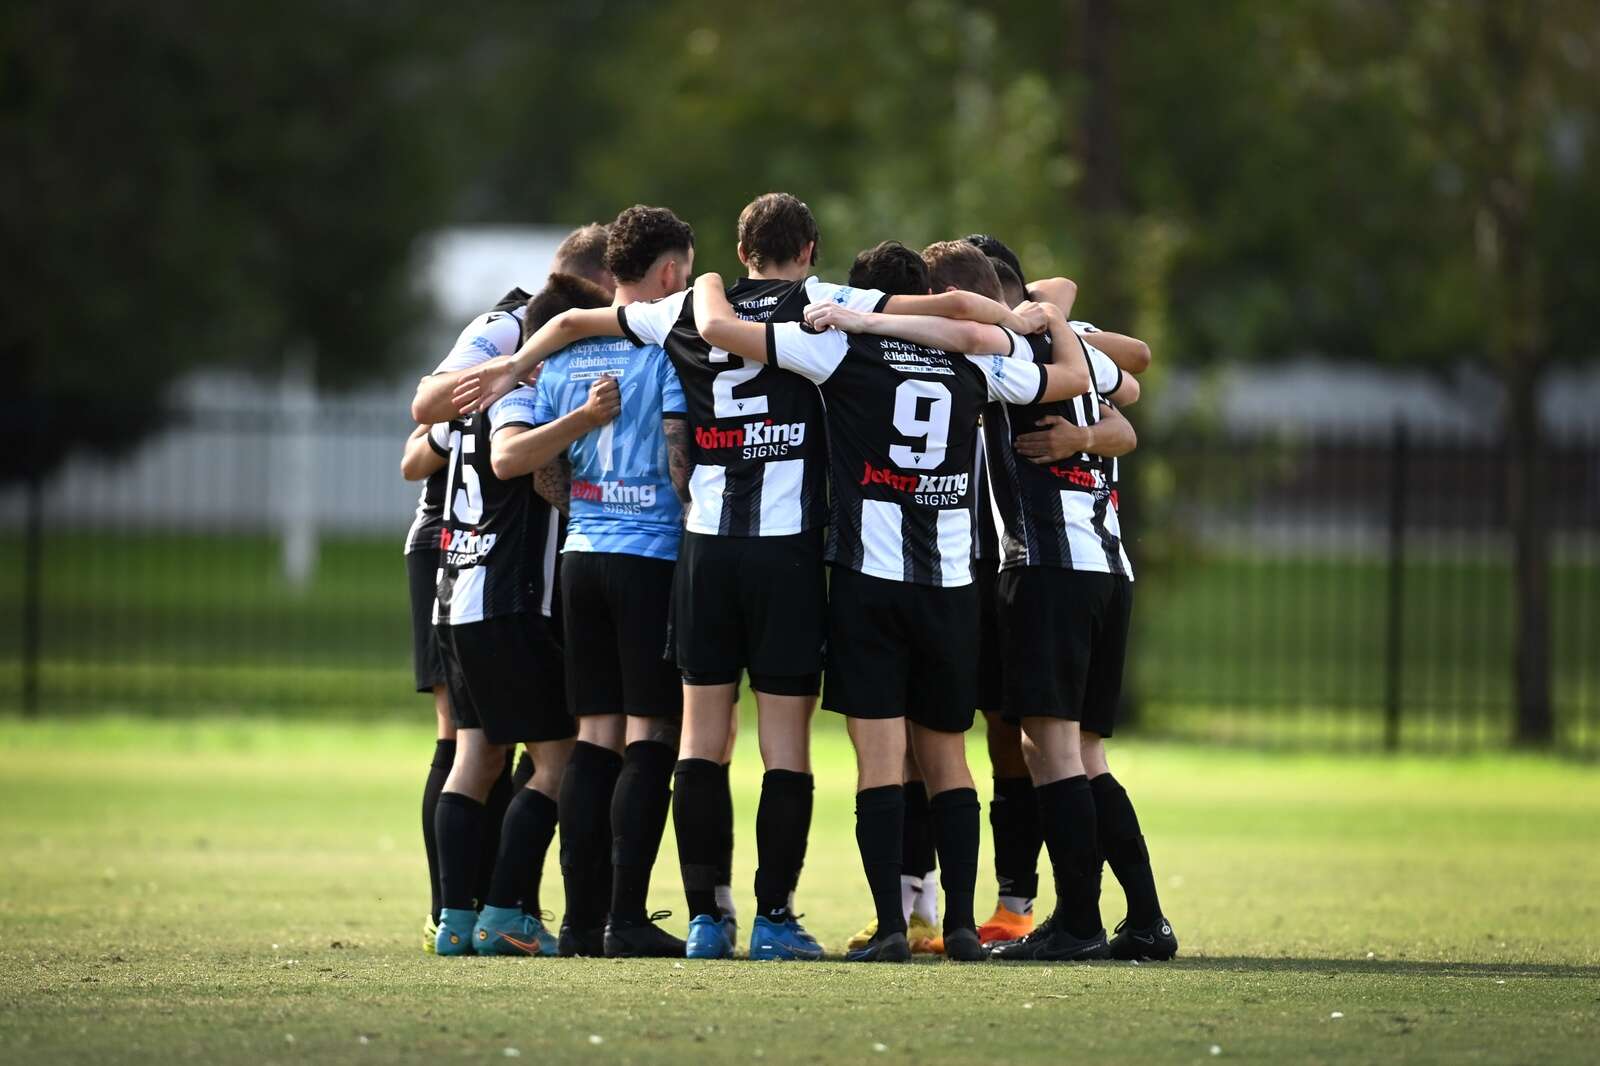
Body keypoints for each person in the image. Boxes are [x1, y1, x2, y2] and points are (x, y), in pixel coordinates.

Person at [453, 194, 1041, 961]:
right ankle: (773, 919)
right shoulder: (823, 304)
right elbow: (960, 312)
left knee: (698, 739)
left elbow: (567, 324)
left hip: (704, 550)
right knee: (785, 747)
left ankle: (703, 920)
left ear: (740, 252)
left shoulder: (694, 311)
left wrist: (511, 367)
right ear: (810, 250)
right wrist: (1017, 318)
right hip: (789, 555)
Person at [696, 250, 1091, 963]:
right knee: (949, 758)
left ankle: (888, 927)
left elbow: (728, 335)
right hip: (949, 588)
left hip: (866, 584)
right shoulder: (977, 362)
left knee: (879, 763)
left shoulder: (842, 352)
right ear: (931, 295)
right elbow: (1071, 378)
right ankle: (964, 925)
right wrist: (1043, 318)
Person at [400, 224, 612, 953]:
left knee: (476, 753)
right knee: (557, 759)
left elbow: (422, 445)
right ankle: (506, 914)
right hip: (507, 596)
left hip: (458, 588)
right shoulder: (520, 376)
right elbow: (512, 454)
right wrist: (584, 419)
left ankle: (453, 919)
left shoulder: (479, 374)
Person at [499, 205, 698, 958]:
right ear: (672, 274)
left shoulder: (563, 356)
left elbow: (548, 474)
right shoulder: (664, 352)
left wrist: (591, 495)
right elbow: (681, 464)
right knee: (651, 736)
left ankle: (579, 922)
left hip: (579, 556)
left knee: (593, 739)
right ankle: (626, 917)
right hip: (649, 558)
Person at [993, 311, 1172, 961]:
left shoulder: (1007, 350)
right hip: (1107, 568)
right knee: (1079, 755)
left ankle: (1079, 924)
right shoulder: (1074, 341)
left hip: (1052, 566)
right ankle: (1145, 919)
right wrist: (1085, 433)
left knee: (1053, 751)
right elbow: (1127, 407)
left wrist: (1074, 438)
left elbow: (1128, 402)